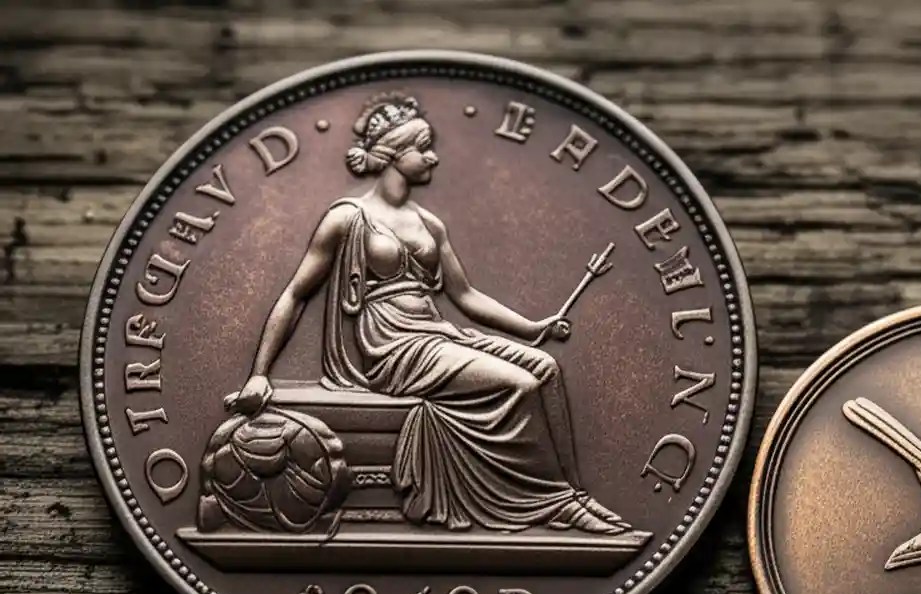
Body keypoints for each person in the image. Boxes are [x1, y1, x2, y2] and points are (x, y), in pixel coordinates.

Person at [230, 92, 628, 535]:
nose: (434, 157)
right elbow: (295, 294)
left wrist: (532, 328)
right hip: (388, 344)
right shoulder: (347, 218)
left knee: (547, 368)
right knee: (519, 384)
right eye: (423, 147)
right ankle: (553, 505)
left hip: (435, 332)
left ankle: (574, 493)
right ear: (394, 156)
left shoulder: (430, 223)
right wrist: (259, 372)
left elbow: (467, 296)